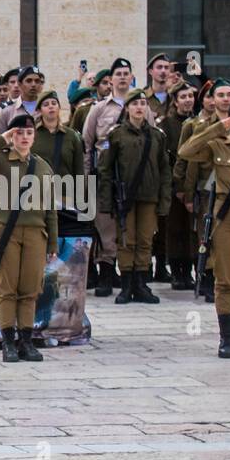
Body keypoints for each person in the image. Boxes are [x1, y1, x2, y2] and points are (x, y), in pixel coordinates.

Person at [0, 114, 58, 362]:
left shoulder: (43, 166)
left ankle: (26, 340)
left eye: (28, 133)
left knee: (30, 289)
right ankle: (7, 341)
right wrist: (1, 139)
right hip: (8, 232)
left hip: (36, 232)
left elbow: (50, 208)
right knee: (9, 289)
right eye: (18, 133)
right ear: (11, 135)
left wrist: (53, 242)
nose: (24, 137)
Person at [178, 97, 230, 357]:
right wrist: (218, 127)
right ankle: (226, 338)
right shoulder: (219, 144)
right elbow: (186, 151)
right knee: (226, 279)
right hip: (226, 217)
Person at [97, 90, 171, 305]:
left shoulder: (157, 135)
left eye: (142, 103)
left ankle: (141, 282)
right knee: (126, 240)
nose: (139, 107)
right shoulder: (116, 134)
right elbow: (105, 169)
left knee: (146, 240)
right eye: (134, 104)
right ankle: (127, 282)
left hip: (149, 196)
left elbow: (164, 170)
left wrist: (164, 200)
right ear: (127, 108)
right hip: (124, 198)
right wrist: (106, 201)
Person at [83, 58, 137, 296]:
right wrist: (85, 178)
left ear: (132, 77)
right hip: (104, 173)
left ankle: (129, 275)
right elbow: (87, 143)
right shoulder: (100, 109)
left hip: (132, 175)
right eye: (118, 74)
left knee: (129, 227)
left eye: (126, 73)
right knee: (104, 224)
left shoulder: (141, 106)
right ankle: (105, 273)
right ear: (111, 79)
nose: (123, 77)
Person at [159, 81, 198, 290]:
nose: (187, 100)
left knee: (191, 230)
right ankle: (176, 272)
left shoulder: (198, 122)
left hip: (194, 184)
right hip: (174, 184)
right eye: (182, 97)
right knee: (174, 229)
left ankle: (189, 272)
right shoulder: (166, 124)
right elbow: (165, 158)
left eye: (190, 96)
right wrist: (176, 185)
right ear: (175, 101)